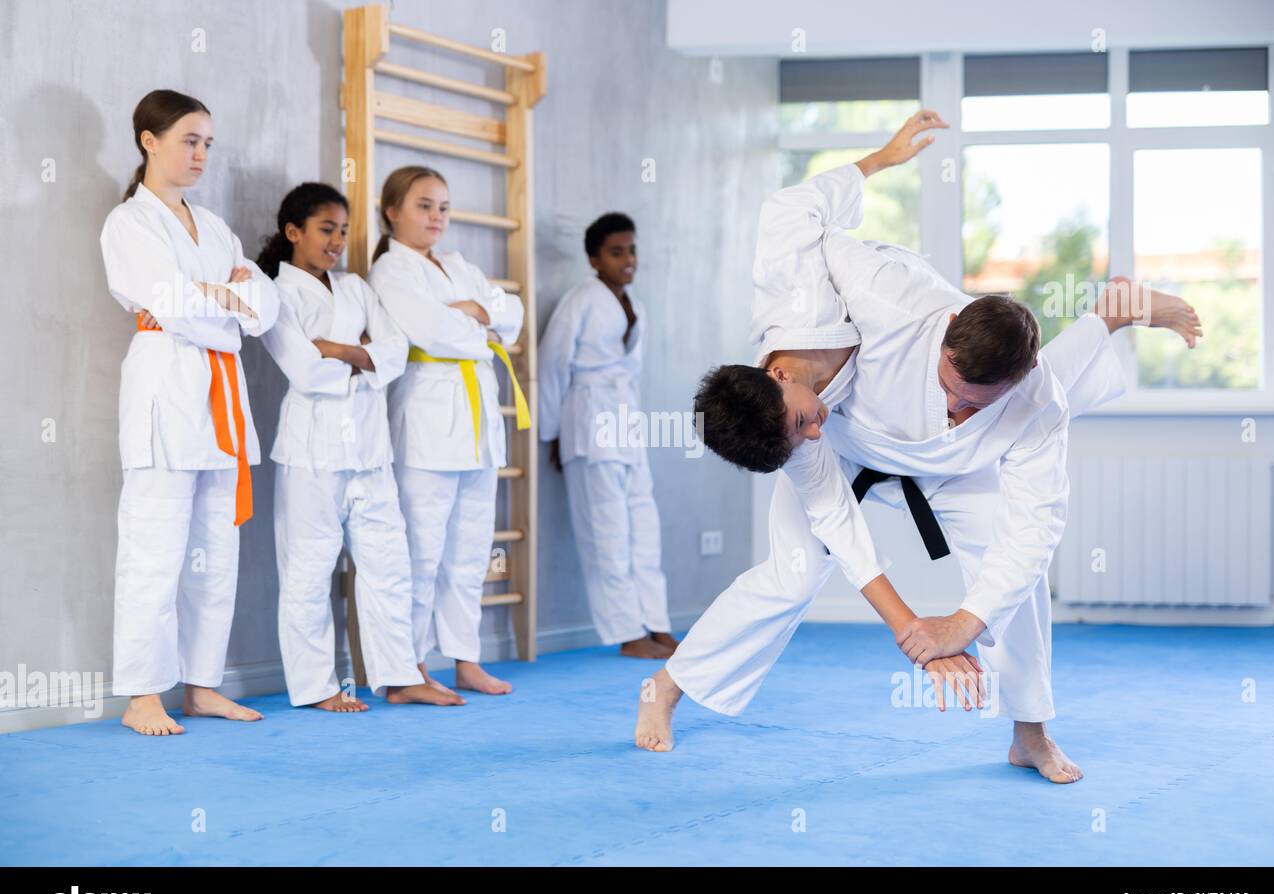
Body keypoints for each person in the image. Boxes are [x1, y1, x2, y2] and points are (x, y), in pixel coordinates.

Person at [636, 111, 1202, 784]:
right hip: (862, 445)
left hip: (948, 455)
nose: (808, 432)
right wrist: (916, 634)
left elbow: (1036, 525)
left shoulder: (907, 311)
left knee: (1012, 552)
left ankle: (1031, 732)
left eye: (802, 423)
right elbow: (837, 524)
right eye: (798, 436)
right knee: (789, 573)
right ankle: (665, 686)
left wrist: (962, 624)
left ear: (782, 377)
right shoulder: (803, 426)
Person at [100, 89, 281, 736]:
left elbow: (266, 308)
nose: (201, 153)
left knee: (215, 550)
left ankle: (203, 685)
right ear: (149, 140)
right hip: (164, 390)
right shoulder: (130, 223)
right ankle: (143, 694)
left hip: (220, 397)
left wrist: (226, 298)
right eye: (189, 140)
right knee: (153, 550)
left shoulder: (217, 228)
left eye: (208, 142)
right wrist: (223, 301)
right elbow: (173, 306)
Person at [257, 182, 468, 711]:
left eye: (345, 231)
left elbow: (396, 352)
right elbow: (305, 369)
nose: (338, 241)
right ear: (293, 232)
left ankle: (398, 676)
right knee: (308, 572)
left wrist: (339, 351)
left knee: (390, 566)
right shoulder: (276, 292)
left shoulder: (355, 287)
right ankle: (317, 687)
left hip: (371, 452)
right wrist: (359, 354)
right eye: (327, 229)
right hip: (312, 455)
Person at [367, 166, 530, 696]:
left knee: (469, 551)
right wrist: (481, 323)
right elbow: (433, 331)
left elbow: (515, 315)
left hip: (480, 422)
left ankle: (466, 657)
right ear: (392, 211)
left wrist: (478, 313)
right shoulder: (392, 271)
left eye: (443, 207)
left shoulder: (458, 264)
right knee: (420, 552)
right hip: (428, 422)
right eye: (423, 205)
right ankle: (408, 668)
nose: (436, 216)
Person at [537, 213, 675, 660]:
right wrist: (553, 430)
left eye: (631, 250)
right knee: (607, 529)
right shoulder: (581, 300)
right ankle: (626, 631)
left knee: (643, 525)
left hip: (626, 420)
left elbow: (631, 372)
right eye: (617, 252)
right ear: (594, 258)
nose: (628, 259)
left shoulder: (634, 303)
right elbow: (552, 365)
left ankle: (656, 622)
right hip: (588, 417)